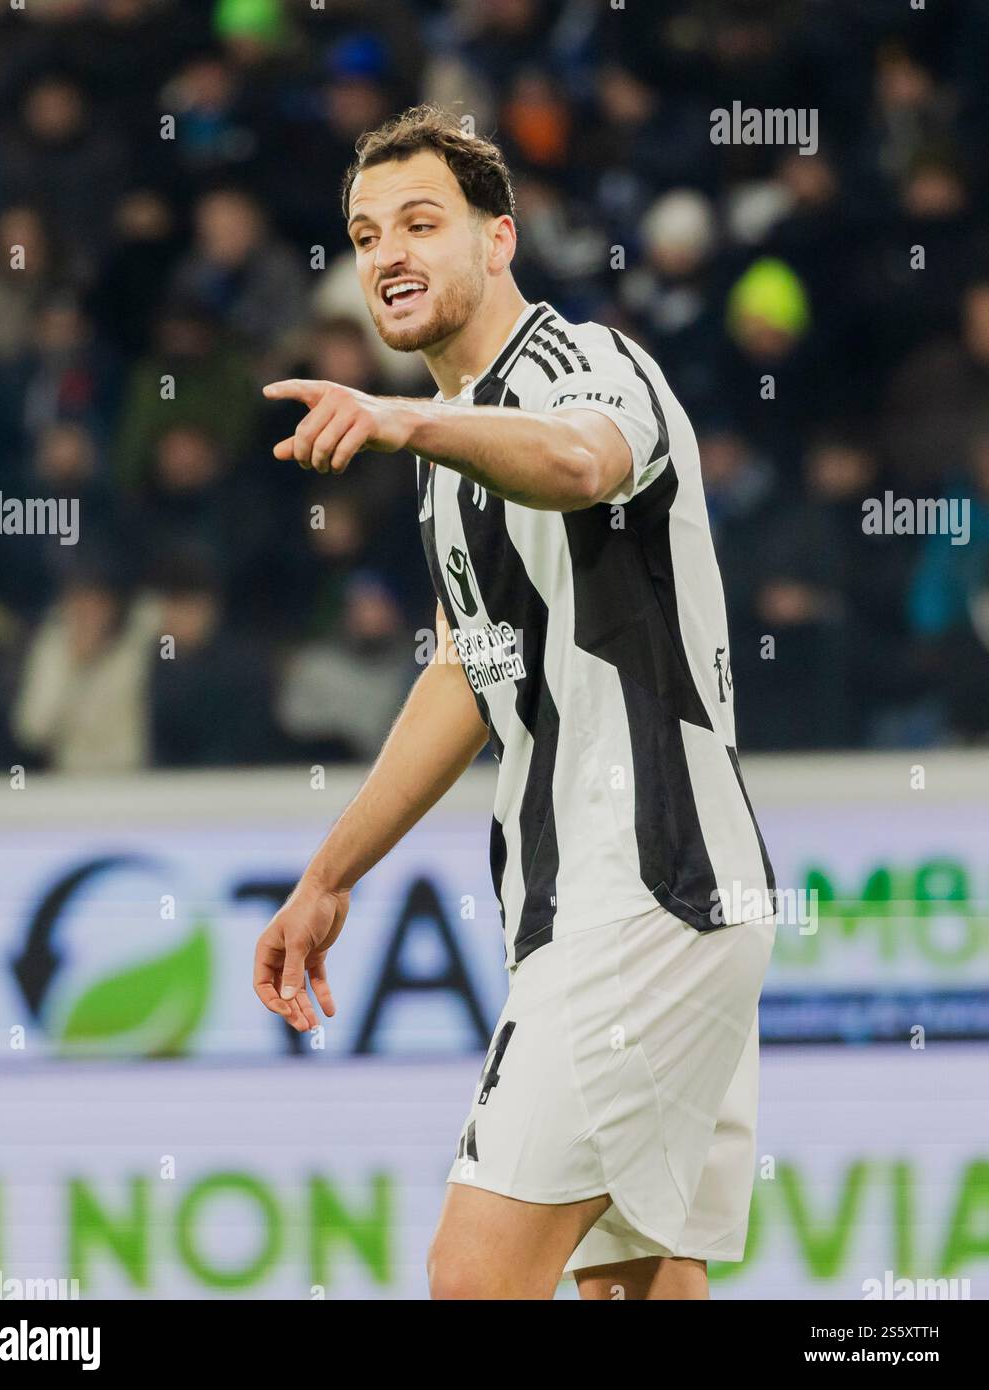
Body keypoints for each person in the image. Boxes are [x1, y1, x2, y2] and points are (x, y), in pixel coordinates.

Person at [252, 105, 777, 1301]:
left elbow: (584, 460)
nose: (386, 251)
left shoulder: (579, 361)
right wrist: (329, 873)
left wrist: (404, 418)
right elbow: (468, 679)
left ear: (498, 239)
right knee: (634, 1290)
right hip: (608, 907)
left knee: (472, 1279)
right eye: (365, 231)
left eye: (421, 223)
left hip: (645, 890)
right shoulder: (449, 467)